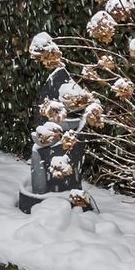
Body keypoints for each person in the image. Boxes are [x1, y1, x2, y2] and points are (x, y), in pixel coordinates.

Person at [21, 32, 93, 212]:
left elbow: (73, 111)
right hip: (57, 132)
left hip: (63, 133)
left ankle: (46, 193)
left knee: (39, 152)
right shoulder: (57, 78)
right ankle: (43, 191)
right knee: (38, 151)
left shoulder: (61, 79)